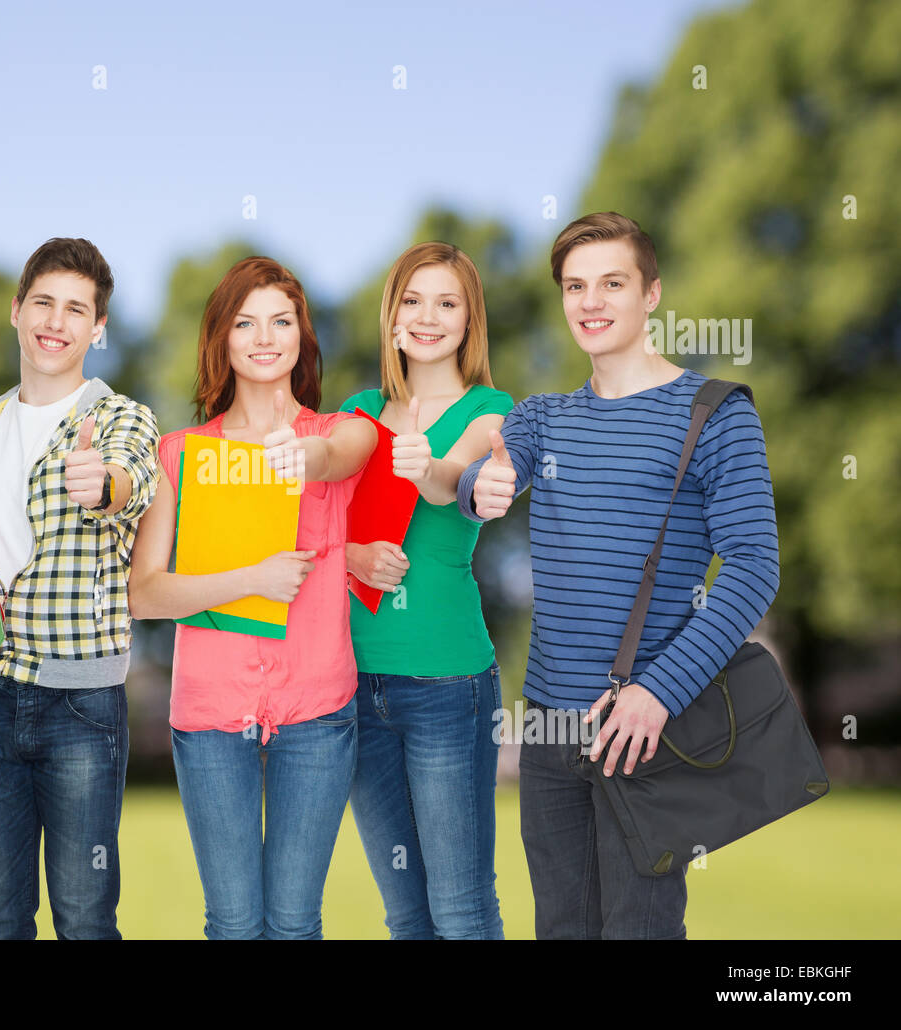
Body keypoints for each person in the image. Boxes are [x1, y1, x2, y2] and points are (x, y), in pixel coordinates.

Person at [458, 212, 780, 939]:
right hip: (547, 729)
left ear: (652, 293)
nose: (591, 302)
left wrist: (657, 694)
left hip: (649, 732)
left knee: (640, 930)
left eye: (612, 282)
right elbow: (484, 474)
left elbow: (755, 567)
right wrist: (482, 485)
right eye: (575, 286)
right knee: (561, 929)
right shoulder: (545, 419)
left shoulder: (716, 414)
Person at [128, 255, 378, 939]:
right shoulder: (178, 455)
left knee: (295, 923)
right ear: (221, 339)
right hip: (209, 716)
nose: (265, 337)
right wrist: (252, 580)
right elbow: (144, 595)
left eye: (281, 320)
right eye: (245, 322)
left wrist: (308, 456)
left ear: (302, 335)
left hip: (318, 711)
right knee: (234, 923)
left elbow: (351, 451)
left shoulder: (337, 435)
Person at [0, 237, 159, 940]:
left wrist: (103, 483)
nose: (56, 321)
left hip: (82, 707)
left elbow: (131, 481)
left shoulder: (121, 419)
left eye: (77, 309)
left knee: (86, 919)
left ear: (98, 329)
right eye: (44, 302)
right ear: (16, 310)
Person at [340, 241, 513, 939]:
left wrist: (426, 466)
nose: (428, 316)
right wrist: (353, 553)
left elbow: (457, 485)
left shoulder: (493, 410)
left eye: (447, 303)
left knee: (462, 911)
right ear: (391, 319)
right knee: (407, 916)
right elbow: (318, 533)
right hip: (354, 683)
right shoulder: (356, 411)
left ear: (470, 322)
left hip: (448, 682)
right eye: (412, 301)